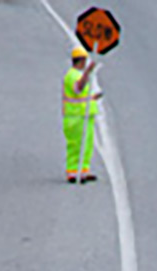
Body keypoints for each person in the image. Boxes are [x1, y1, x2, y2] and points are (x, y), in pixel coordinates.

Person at [63, 45, 102, 183]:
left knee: (87, 145)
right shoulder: (72, 75)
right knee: (76, 145)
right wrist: (88, 72)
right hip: (75, 117)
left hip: (84, 115)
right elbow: (78, 89)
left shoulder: (78, 75)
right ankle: (73, 172)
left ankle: (83, 170)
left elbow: (82, 96)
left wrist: (93, 98)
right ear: (81, 61)